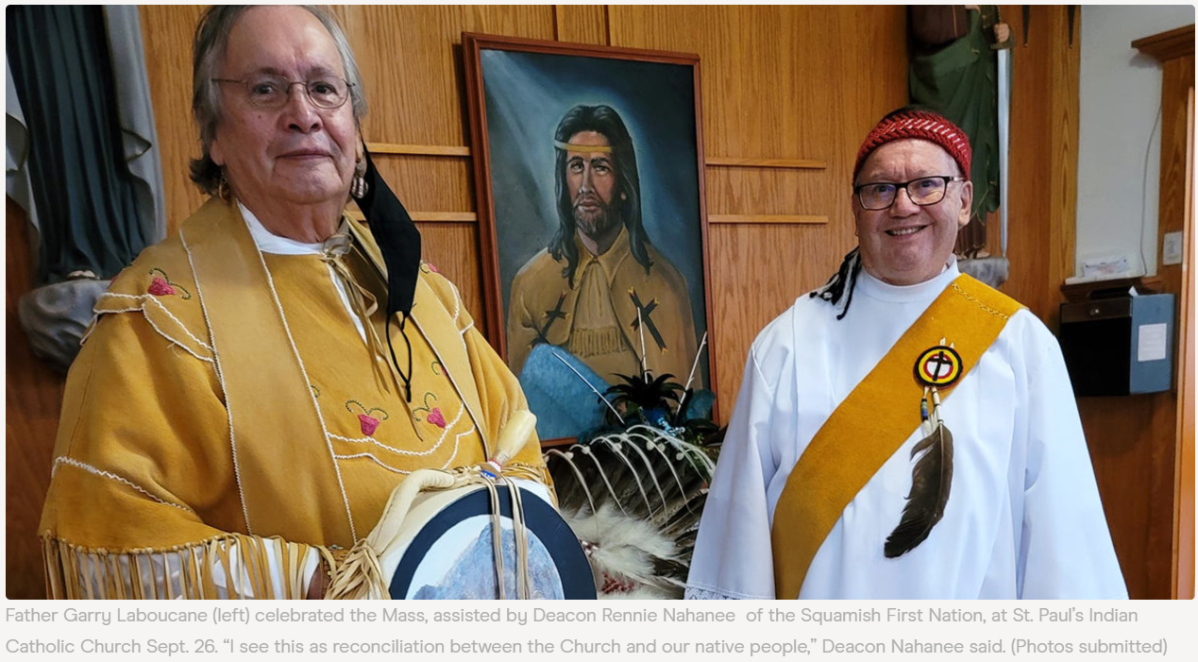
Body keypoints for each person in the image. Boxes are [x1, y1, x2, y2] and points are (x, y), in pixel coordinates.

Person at [39, 5, 547, 599]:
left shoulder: (426, 289)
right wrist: (326, 586)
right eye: (265, 89)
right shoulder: (156, 317)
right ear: (214, 134)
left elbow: (519, 443)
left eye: (324, 89)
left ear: (355, 128)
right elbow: (108, 543)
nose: (303, 115)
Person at [686, 107, 1127, 599]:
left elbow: (1062, 542)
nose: (903, 206)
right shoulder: (785, 345)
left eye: (926, 185)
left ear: (963, 201)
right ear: (857, 210)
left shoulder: (1020, 347)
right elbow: (737, 541)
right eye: (880, 189)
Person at [506, 104, 698, 387]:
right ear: (563, 179)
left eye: (600, 167)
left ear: (622, 182)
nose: (586, 185)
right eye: (576, 167)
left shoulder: (666, 284)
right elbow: (522, 412)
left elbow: (687, 411)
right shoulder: (530, 286)